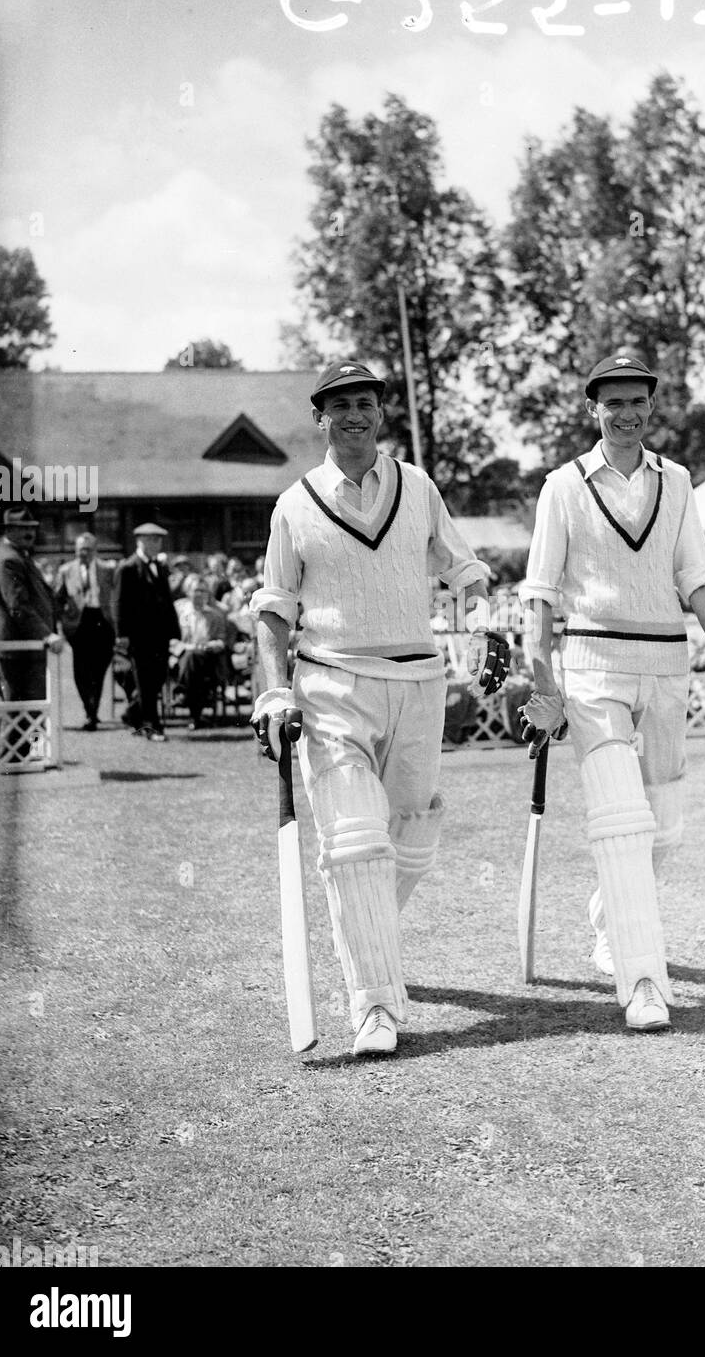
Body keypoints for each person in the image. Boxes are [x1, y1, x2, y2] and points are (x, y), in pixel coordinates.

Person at [250, 359, 507, 1058]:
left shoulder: (417, 486)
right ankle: (374, 1006)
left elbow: (463, 568)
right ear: (320, 418)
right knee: (357, 844)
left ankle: (368, 938)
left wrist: (483, 615)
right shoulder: (294, 504)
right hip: (331, 685)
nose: (355, 415)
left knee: (412, 839)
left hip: (418, 684)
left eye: (366, 402)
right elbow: (273, 612)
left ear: (378, 412)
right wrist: (275, 691)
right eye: (341, 405)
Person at [518, 354, 705, 1034]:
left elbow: (696, 574)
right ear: (592, 408)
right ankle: (641, 976)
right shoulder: (561, 487)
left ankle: (607, 923)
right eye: (613, 403)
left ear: (650, 409)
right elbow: (539, 589)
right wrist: (541, 681)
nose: (626, 415)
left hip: (666, 664)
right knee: (621, 820)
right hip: (592, 669)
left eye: (637, 403)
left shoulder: (676, 481)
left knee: (664, 828)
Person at [0, 507, 63, 756]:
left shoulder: (17, 556)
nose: (29, 533)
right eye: (22, 529)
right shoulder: (8, 560)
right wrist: (45, 634)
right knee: (16, 707)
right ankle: (9, 757)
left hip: (23, 647)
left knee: (25, 707)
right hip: (17, 648)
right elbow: (18, 606)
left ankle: (20, 756)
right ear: (9, 531)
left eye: (32, 529)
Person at [113, 523, 180, 741]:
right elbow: (119, 603)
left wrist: (174, 631)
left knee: (157, 678)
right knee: (145, 681)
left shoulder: (159, 566)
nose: (157, 544)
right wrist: (122, 633)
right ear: (140, 541)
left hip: (159, 635)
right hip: (139, 636)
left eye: (159, 540)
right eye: (152, 539)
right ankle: (152, 726)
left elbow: (167, 601)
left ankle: (133, 713)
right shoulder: (128, 567)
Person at [54, 532, 115, 730]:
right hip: (79, 624)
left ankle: (93, 710)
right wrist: (63, 620)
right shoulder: (66, 570)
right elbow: (57, 598)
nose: (83, 554)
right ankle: (90, 711)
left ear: (95, 551)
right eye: (80, 550)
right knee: (81, 671)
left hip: (102, 622)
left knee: (99, 670)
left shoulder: (108, 569)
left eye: (88, 550)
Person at [172, 575, 234, 729]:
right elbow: (171, 640)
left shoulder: (215, 616)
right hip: (182, 656)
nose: (199, 594)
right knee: (191, 658)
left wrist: (209, 645)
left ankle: (182, 692)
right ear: (188, 592)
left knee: (195, 659)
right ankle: (195, 715)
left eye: (203, 591)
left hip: (208, 658)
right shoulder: (180, 613)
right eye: (196, 590)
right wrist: (187, 647)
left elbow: (222, 641)